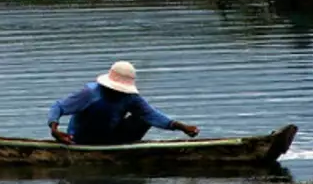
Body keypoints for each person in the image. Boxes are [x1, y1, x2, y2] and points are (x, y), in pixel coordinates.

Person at [47, 60, 200, 145]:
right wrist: (55, 130)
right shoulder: (90, 93)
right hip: (82, 138)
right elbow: (58, 107)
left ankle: (123, 148)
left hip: (111, 137)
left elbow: (152, 115)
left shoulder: (130, 97)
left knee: (141, 118)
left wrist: (181, 126)